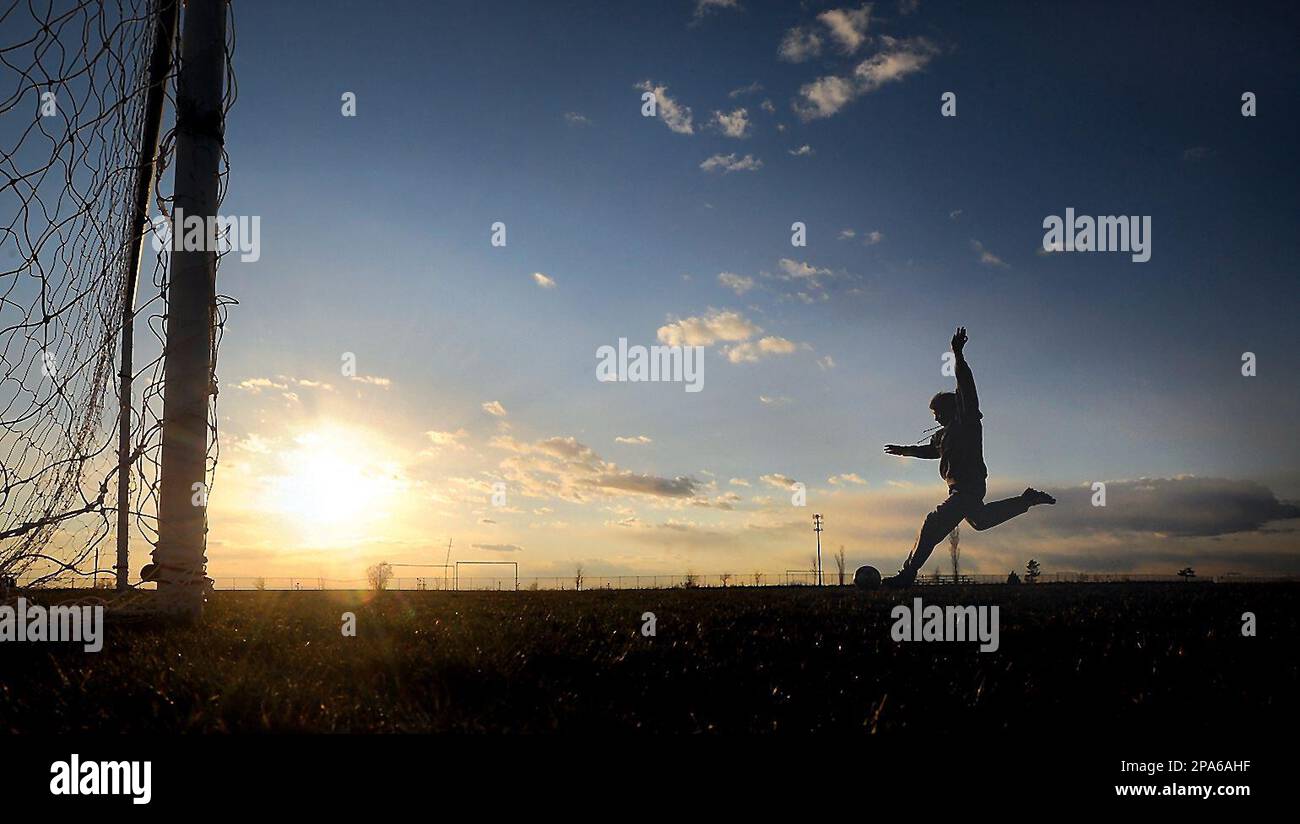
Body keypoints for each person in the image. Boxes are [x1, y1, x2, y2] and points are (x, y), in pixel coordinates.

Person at [882, 327, 1055, 587]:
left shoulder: (967, 421)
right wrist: (904, 450)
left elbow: (966, 387)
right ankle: (1026, 500)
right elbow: (930, 451)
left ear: (951, 409)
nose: (936, 418)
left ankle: (907, 575)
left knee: (933, 524)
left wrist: (958, 355)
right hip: (960, 491)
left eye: (938, 413)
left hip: (969, 487)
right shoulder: (943, 436)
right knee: (980, 520)